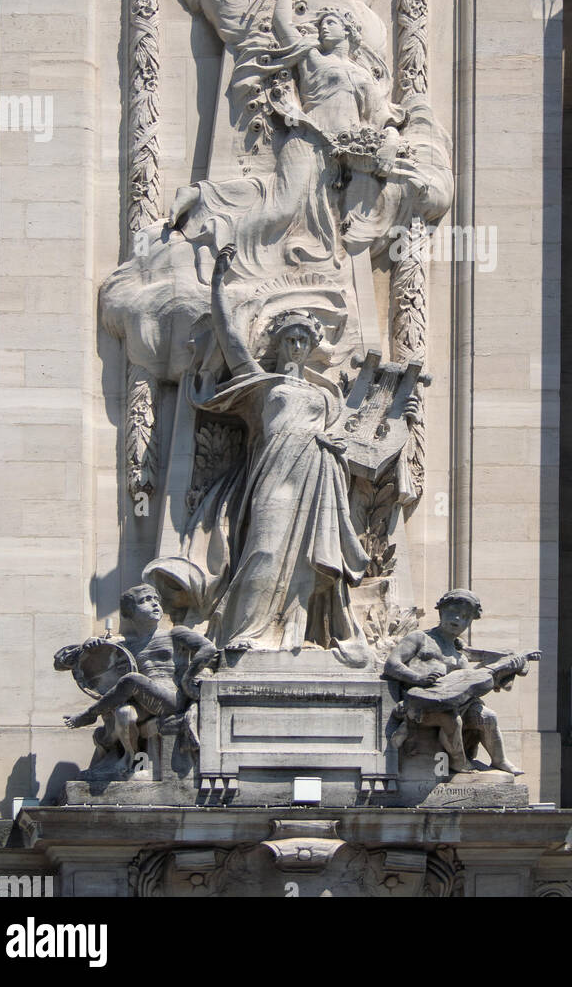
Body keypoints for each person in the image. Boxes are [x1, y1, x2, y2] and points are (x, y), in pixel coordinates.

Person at [192, 244, 370, 653]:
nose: (295, 345)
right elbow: (230, 339)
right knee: (265, 546)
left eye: (303, 339)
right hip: (274, 473)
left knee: (308, 561)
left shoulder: (326, 395)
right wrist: (219, 283)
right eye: (290, 337)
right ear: (278, 343)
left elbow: (357, 436)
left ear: (311, 347)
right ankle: (247, 633)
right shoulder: (264, 385)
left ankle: (293, 636)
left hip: (317, 473)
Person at [57, 583, 218, 775]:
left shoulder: (174, 633)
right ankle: (129, 758)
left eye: (155, 600)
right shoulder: (126, 645)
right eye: (145, 601)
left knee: (132, 678)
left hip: (172, 698)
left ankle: (88, 715)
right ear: (129, 613)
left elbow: (208, 648)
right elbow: (61, 662)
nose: (154, 604)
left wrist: (188, 677)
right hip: (144, 703)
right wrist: (88, 646)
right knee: (124, 713)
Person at [382, 589, 540, 775]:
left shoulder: (461, 655)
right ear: (441, 612)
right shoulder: (420, 638)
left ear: (470, 622)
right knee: (452, 719)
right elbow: (392, 664)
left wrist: (502, 672)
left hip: (456, 704)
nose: (457, 619)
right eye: (452, 612)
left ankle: (500, 760)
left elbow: (465, 685)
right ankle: (459, 762)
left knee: (488, 717)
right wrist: (418, 678)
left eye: (465, 616)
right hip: (420, 703)